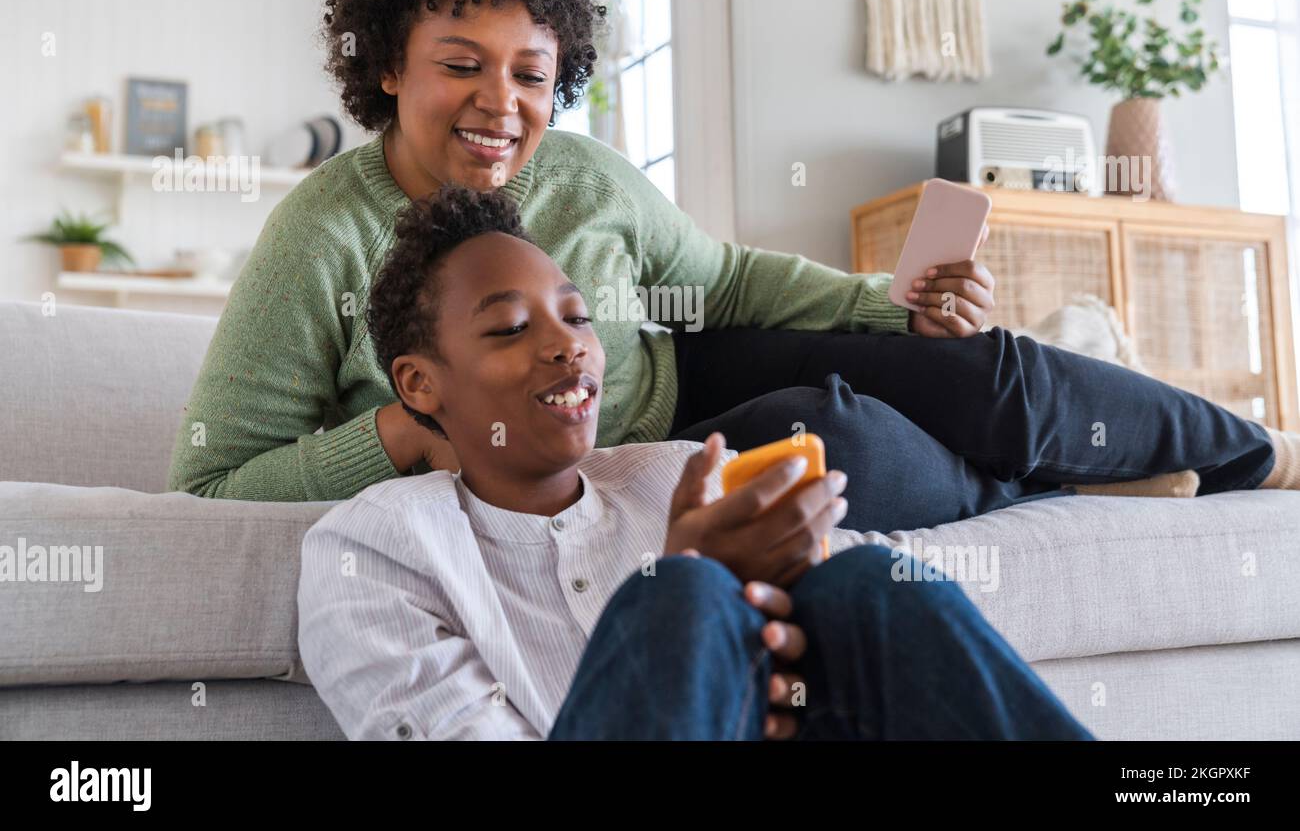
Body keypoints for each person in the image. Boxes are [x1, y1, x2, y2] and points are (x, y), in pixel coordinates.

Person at [169, 0, 1299, 534]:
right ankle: (1064, 485)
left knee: (986, 365)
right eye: (459, 64)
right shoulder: (321, 236)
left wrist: (890, 303)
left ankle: (1257, 459)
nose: (498, 104)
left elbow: (726, 283)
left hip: (685, 363)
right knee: (830, 440)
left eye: (527, 74)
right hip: (626, 442)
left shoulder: (584, 174)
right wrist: (396, 439)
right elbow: (211, 478)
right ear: (387, 70)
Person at [296, 188, 1093, 740]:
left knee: (863, 582)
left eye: (577, 315)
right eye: (508, 328)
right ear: (419, 382)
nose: (567, 342)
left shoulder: (679, 475)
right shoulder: (374, 551)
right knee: (676, 590)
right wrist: (690, 610)